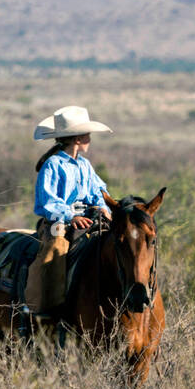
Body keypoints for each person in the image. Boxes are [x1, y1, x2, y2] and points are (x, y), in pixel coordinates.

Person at [24, 105, 114, 319]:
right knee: (56, 247)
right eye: (87, 135)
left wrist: (103, 206)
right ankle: (43, 305)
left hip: (89, 218)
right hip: (59, 222)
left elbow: (98, 190)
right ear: (77, 139)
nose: (90, 139)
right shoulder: (53, 165)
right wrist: (70, 216)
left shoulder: (85, 165)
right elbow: (48, 201)